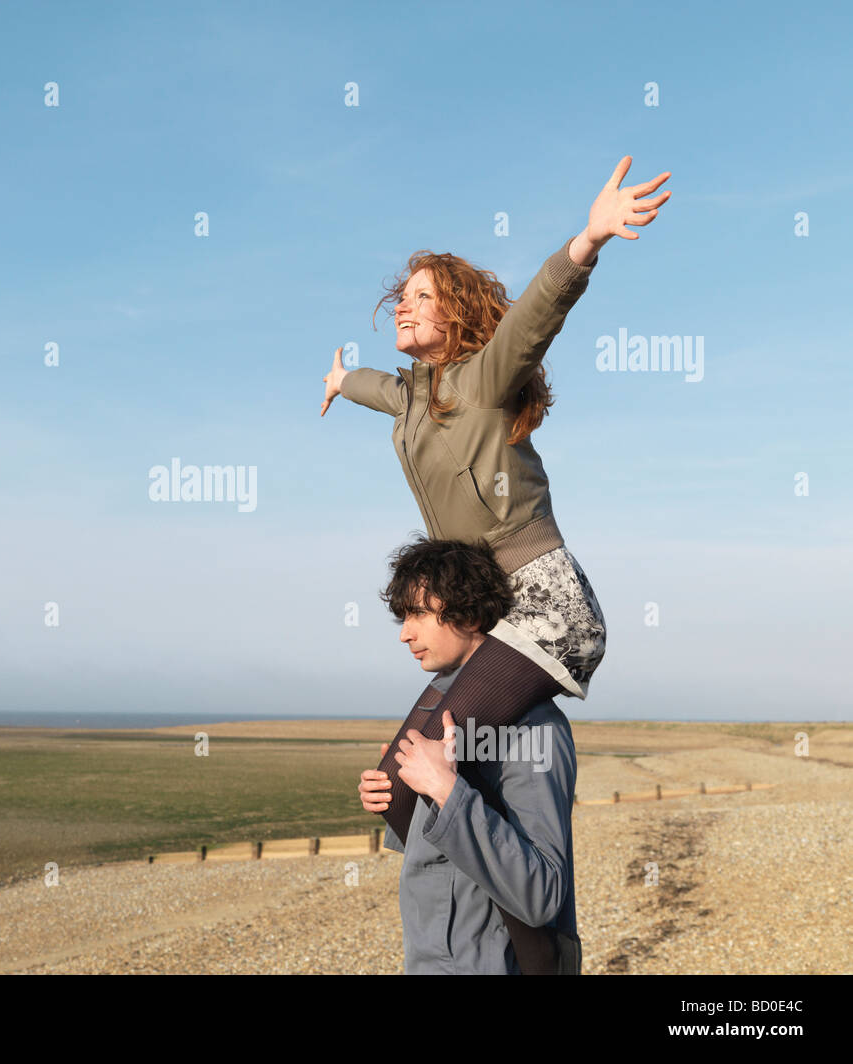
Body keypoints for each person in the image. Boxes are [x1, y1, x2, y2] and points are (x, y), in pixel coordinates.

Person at [322, 156, 670, 817]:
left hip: (543, 613)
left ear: (456, 316)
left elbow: (536, 315)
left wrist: (588, 241)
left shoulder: (482, 380)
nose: (404, 303)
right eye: (403, 294)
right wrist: (341, 384)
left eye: (423, 296)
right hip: (480, 614)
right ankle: (482, 916)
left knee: (422, 776)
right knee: (391, 793)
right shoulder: (410, 400)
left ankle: (538, 917)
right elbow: (379, 389)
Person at [357, 535, 578, 975]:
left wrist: (445, 788)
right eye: (403, 617)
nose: (405, 634)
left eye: (418, 613)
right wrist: (398, 795)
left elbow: (543, 894)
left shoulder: (534, 730)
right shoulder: (446, 710)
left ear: (471, 614)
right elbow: (445, 869)